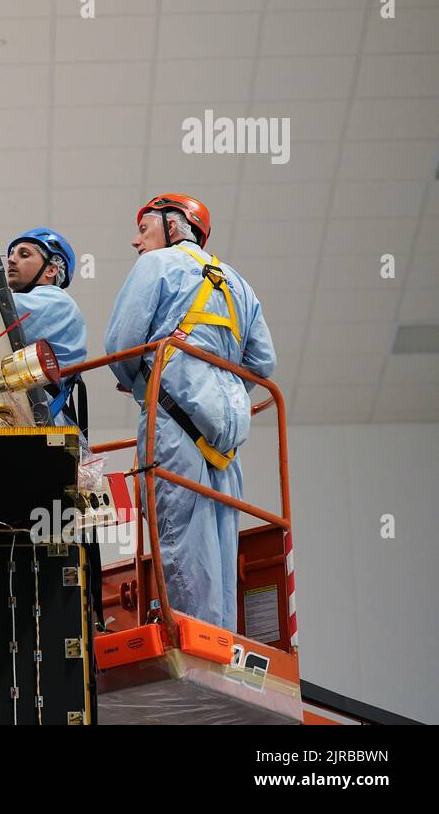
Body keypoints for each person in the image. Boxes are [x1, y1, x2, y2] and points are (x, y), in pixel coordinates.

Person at [104, 194, 275, 632]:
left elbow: (120, 345)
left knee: (181, 539)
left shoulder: (156, 266)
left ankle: (190, 645)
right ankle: (220, 643)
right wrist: (221, 387)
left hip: (172, 423)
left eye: (144, 229)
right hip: (226, 440)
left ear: (175, 227)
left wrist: (143, 383)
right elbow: (263, 363)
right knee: (217, 544)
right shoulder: (239, 285)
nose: (136, 242)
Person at [5, 227, 86, 428]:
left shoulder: (56, 301)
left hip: (41, 419)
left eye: (24, 254)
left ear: (51, 270)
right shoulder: (30, 301)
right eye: (11, 254)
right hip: (33, 415)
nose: (12, 260)